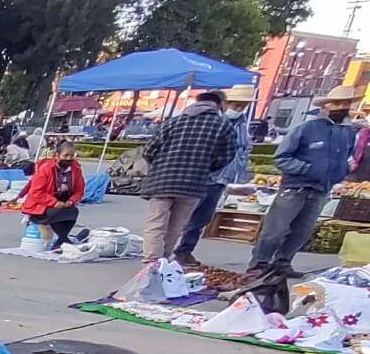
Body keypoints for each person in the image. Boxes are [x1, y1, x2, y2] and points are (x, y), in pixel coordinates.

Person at [247, 85, 359, 281]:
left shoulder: (347, 132)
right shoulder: (306, 128)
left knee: (302, 232)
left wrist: (341, 172)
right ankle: (259, 264)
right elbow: (281, 157)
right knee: (276, 229)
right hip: (295, 188)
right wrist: (307, 169)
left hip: (321, 189)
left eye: (346, 104)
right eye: (338, 103)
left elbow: (346, 158)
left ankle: (282, 263)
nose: (342, 107)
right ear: (327, 105)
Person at [140, 90, 238, 264]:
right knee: (175, 225)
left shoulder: (173, 122)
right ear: (220, 104)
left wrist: (161, 165)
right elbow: (226, 156)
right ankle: (163, 260)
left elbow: (148, 151)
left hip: (162, 180)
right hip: (193, 183)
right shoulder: (223, 126)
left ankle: (151, 262)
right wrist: (205, 167)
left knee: (156, 223)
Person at [173, 84, 255, 268]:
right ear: (226, 103)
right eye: (236, 104)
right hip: (202, 176)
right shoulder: (213, 120)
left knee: (202, 217)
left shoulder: (242, 123)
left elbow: (244, 148)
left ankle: (184, 250)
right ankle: (164, 251)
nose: (239, 109)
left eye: (243, 105)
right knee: (183, 215)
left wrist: (239, 171)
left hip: (222, 178)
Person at [21, 140, 86, 247]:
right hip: (40, 205)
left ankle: (61, 240)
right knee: (56, 212)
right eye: (65, 155)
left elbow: (79, 190)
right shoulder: (45, 169)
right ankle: (64, 240)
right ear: (57, 155)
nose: (69, 159)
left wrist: (72, 200)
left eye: (71, 156)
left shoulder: (76, 169)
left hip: (63, 202)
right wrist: (53, 202)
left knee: (73, 211)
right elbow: (36, 192)